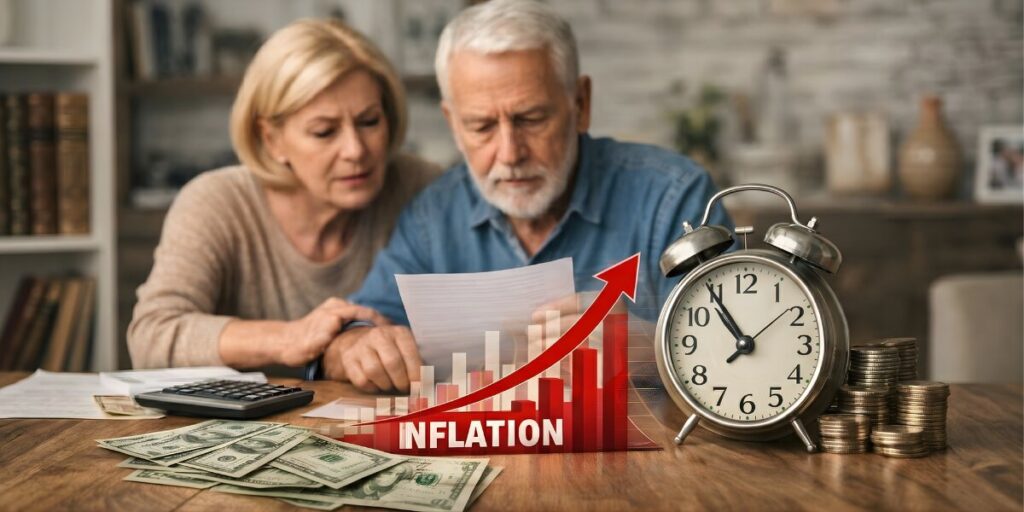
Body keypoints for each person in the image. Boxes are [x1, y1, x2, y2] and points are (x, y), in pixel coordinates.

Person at [311, 0, 733, 391]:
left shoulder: (670, 197)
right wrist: (354, 349)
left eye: (531, 119)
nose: (510, 154)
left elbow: (746, 352)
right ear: (452, 123)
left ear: (580, 103)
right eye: (481, 127)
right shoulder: (433, 216)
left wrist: (643, 348)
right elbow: (360, 325)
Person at [127, 19, 437, 382]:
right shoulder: (217, 202)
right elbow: (151, 336)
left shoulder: (421, 187)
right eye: (324, 132)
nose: (355, 150)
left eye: (369, 121)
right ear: (272, 139)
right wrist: (289, 338)